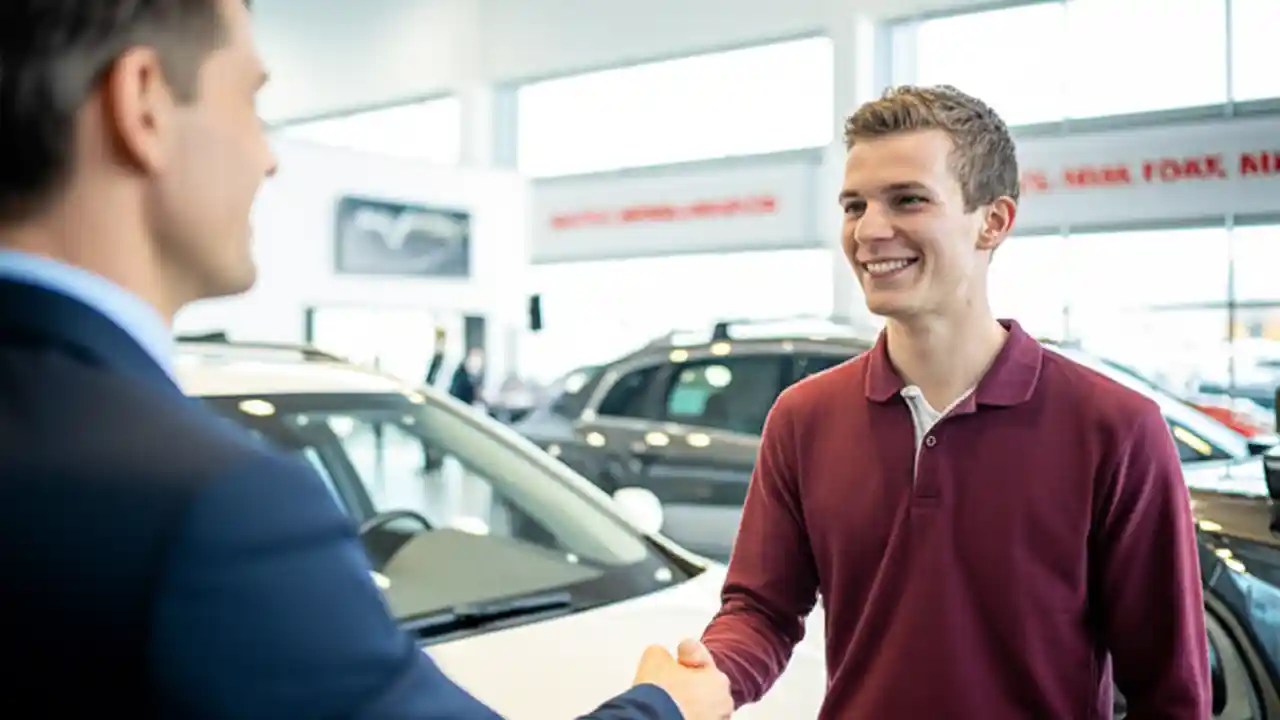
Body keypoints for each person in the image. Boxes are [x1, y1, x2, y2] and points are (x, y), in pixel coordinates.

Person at [0, 2, 731, 719]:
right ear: (144, 103)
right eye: (251, 102)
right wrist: (667, 707)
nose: (269, 158)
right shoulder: (219, 508)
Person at [675, 85, 1211, 718]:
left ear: (994, 221)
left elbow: (1170, 692)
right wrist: (708, 678)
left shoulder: (1115, 428)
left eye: (908, 200)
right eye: (854, 206)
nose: (869, 230)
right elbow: (762, 610)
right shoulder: (803, 418)